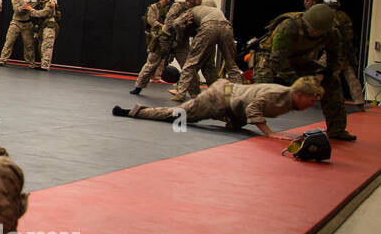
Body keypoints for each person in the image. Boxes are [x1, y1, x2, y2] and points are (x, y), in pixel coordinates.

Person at [253, 3, 354, 141]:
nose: (315, 34)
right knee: (262, 86)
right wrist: (300, 85)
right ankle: (238, 116)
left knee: (332, 82)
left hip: (297, 58)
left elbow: (334, 59)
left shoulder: (331, 32)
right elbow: (278, 61)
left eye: (319, 32)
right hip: (269, 55)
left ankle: (337, 129)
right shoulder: (289, 26)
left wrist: (324, 75)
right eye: (312, 30)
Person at [113, 77, 323, 139]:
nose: (312, 105)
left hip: (232, 105)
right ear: (299, 95)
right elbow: (253, 110)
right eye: (311, 100)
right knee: (178, 116)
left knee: (236, 125)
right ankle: (133, 111)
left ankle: (231, 120)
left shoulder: (290, 99)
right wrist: (270, 134)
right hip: (221, 97)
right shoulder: (279, 95)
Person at [171, 0, 243, 101]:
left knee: (190, 63)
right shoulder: (212, 8)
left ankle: (180, 93)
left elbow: (176, 23)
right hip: (226, 27)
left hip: (208, 28)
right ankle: (240, 96)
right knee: (231, 65)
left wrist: (180, 37)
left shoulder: (191, 10)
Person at [130, 0, 183, 95]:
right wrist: (162, 26)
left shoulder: (171, 8)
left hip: (171, 38)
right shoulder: (153, 8)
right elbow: (151, 20)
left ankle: (182, 89)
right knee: (150, 64)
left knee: (184, 64)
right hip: (158, 38)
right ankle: (138, 86)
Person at [326, 1, 366, 105]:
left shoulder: (332, 19)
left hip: (336, 52)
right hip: (346, 52)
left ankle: (333, 99)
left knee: (331, 76)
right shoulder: (344, 18)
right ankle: (359, 100)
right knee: (351, 77)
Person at [0, 0, 37, 66]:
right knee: (9, 41)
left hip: (27, 23)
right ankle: (2, 60)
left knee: (29, 45)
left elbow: (31, 9)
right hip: (16, 22)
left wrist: (27, 4)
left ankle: (31, 63)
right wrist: (25, 5)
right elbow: (17, 10)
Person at [31, 0, 60, 71]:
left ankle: (45, 65)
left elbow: (44, 13)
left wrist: (31, 11)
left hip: (49, 26)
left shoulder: (51, 1)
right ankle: (43, 63)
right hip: (41, 26)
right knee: (40, 46)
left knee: (47, 46)